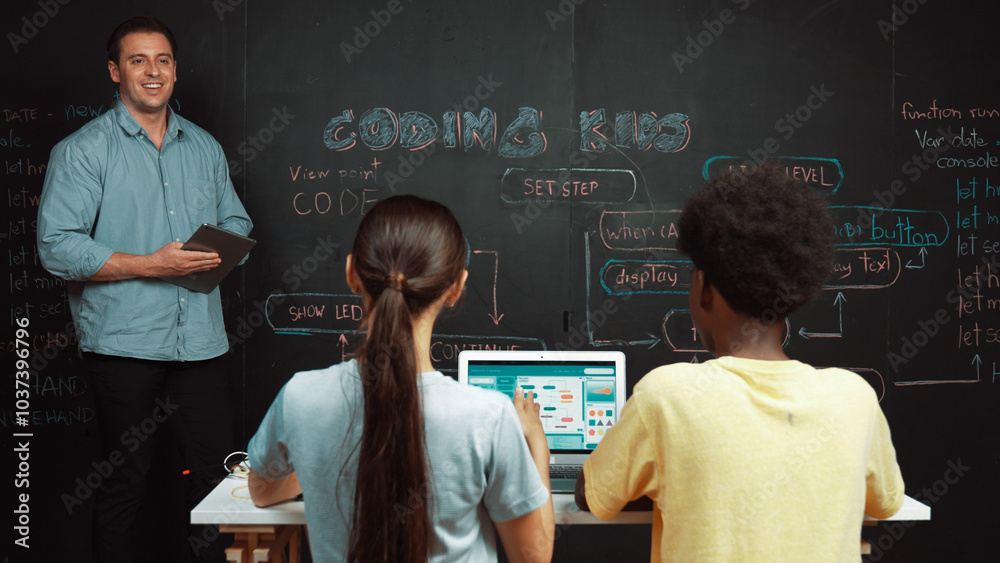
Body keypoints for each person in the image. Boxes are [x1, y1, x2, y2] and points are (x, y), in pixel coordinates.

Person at [575, 163, 905, 562]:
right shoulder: (855, 399)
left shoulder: (666, 396)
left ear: (704, 287)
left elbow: (593, 496)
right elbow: (886, 502)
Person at [37, 16, 253, 562]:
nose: (152, 72)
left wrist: (219, 247)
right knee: (125, 483)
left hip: (201, 345)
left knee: (218, 482)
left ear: (176, 71)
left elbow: (238, 221)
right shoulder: (84, 150)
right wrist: (151, 265)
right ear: (115, 72)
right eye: (138, 60)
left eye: (162, 60)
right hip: (123, 345)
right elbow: (56, 247)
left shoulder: (204, 148)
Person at [246, 195, 555, 562]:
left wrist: (318, 472)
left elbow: (262, 491)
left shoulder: (300, 396)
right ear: (456, 287)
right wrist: (537, 446)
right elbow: (534, 557)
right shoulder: (488, 416)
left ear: (351, 273)